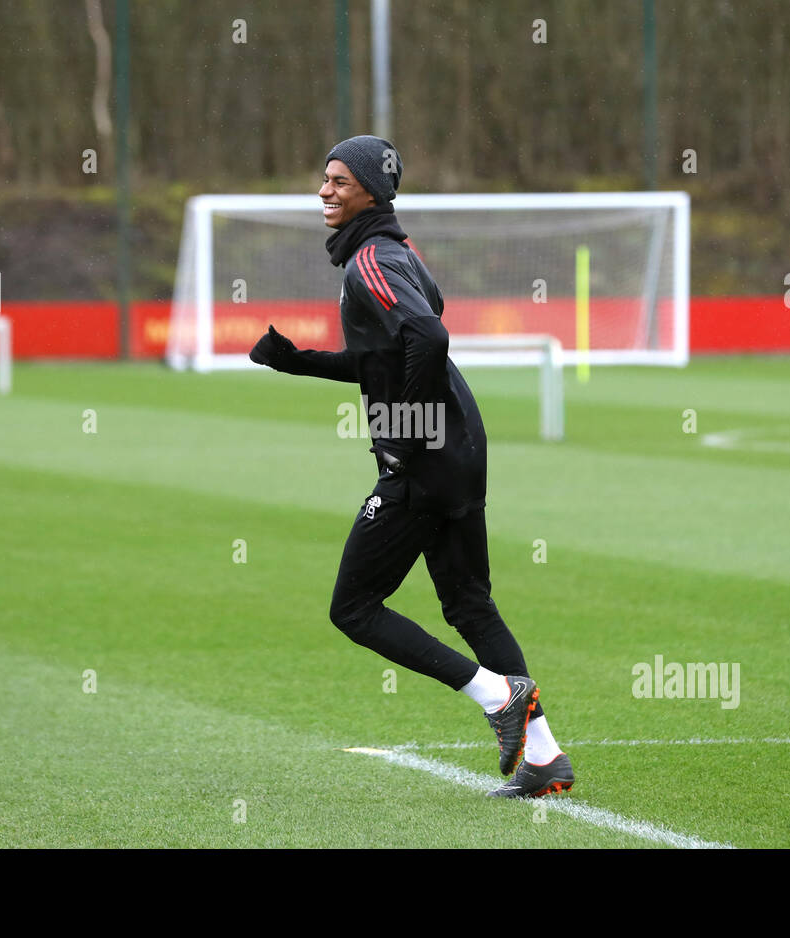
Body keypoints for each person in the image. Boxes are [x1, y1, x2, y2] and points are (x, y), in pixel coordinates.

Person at [248, 135, 572, 797]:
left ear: (370, 191)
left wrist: (405, 431)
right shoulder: (395, 253)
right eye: (325, 178)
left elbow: (428, 336)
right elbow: (386, 359)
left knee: (354, 608)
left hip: (427, 457)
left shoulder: (371, 259)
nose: (324, 190)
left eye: (339, 180)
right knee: (469, 604)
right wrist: (298, 361)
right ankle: (545, 759)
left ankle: (497, 696)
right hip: (460, 446)